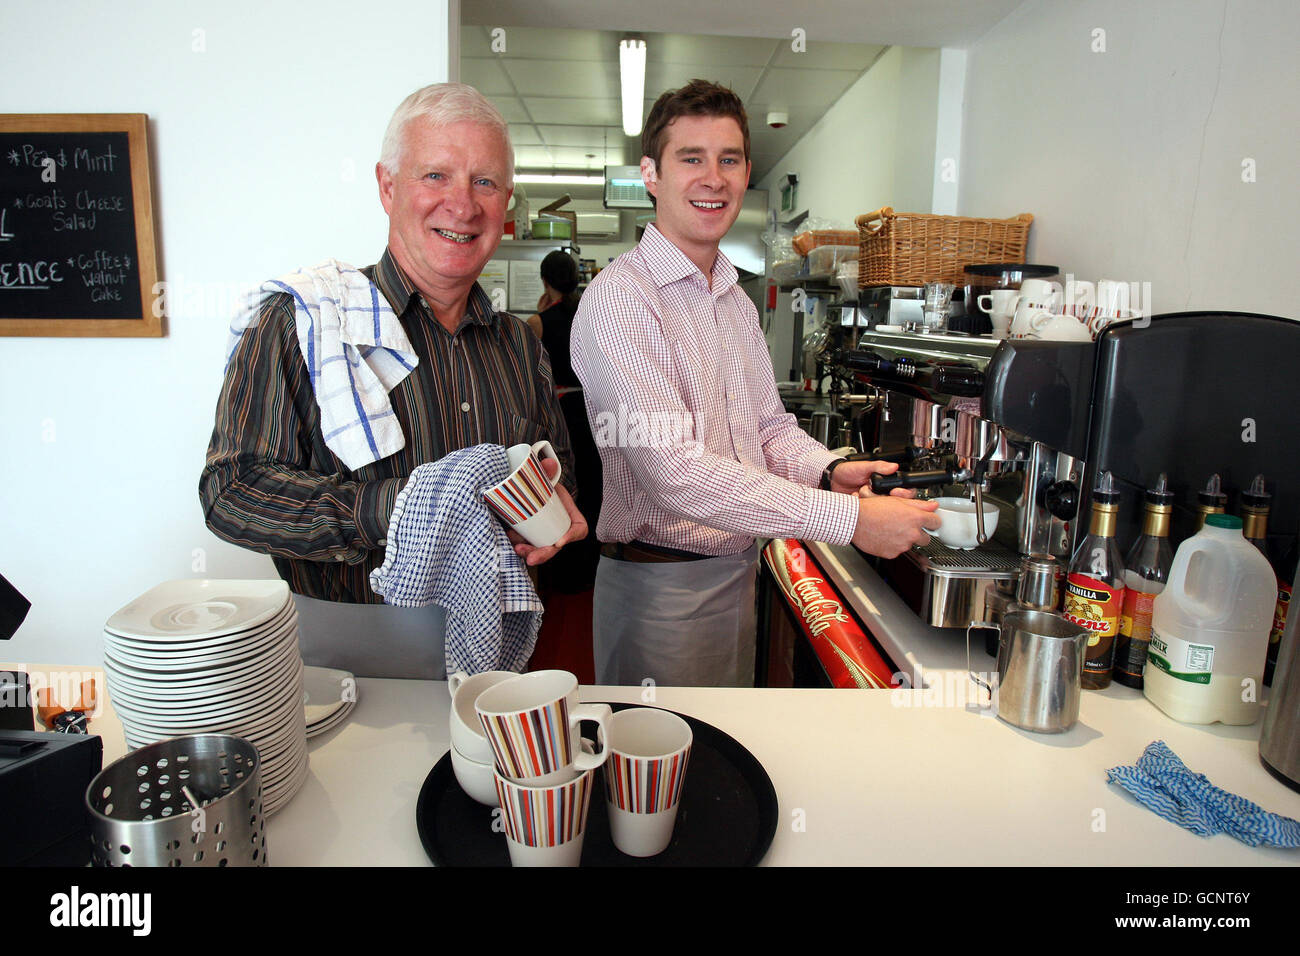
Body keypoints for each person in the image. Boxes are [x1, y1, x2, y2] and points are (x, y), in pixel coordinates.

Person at [199, 83, 586, 680]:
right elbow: (231, 491)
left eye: (485, 182)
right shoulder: (304, 323)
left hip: (495, 654)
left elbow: (558, 466)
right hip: (341, 659)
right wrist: (398, 510)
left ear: (506, 203)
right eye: (436, 175)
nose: (462, 205)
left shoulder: (519, 346)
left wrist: (556, 513)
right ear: (387, 186)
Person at [571, 80, 939, 688]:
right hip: (660, 590)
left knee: (723, 767)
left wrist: (829, 470)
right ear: (650, 175)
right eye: (691, 158)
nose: (713, 178)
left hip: (736, 575)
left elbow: (767, 428)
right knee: (661, 775)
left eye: (730, 159)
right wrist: (848, 521)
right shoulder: (621, 300)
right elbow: (673, 473)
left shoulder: (733, 298)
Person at [524, 251, 602, 593]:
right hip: (595, 407)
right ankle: (594, 560)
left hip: (559, 409)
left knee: (561, 481)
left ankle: (562, 562)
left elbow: (528, 377)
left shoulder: (538, 321)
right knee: (593, 478)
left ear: (545, 280)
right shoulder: (591, 316)